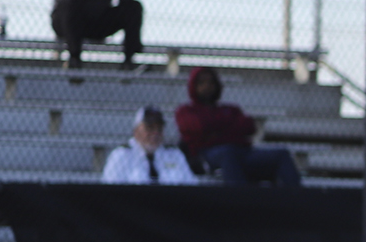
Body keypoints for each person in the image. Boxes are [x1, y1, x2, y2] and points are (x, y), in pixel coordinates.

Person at [175, 67, 303, 185]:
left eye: (211, 82)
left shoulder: (230, 109)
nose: (207, 86)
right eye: (201, 82)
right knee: (228, 154)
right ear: (193, 86)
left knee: (281, 154)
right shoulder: (185, 111)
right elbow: (199, 126)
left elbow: (249, 127)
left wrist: (215, 133)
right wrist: (229, 129)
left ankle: (297, 202)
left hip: (242, 152)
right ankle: (241, 203)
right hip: (207, 156)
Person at [101, 106, 198, 185]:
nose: (155, 133)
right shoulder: (121, 156)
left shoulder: (174, 155)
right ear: (136, 131)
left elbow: (191, 185)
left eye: (159, 128)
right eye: (150, 128)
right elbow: (110, 188)